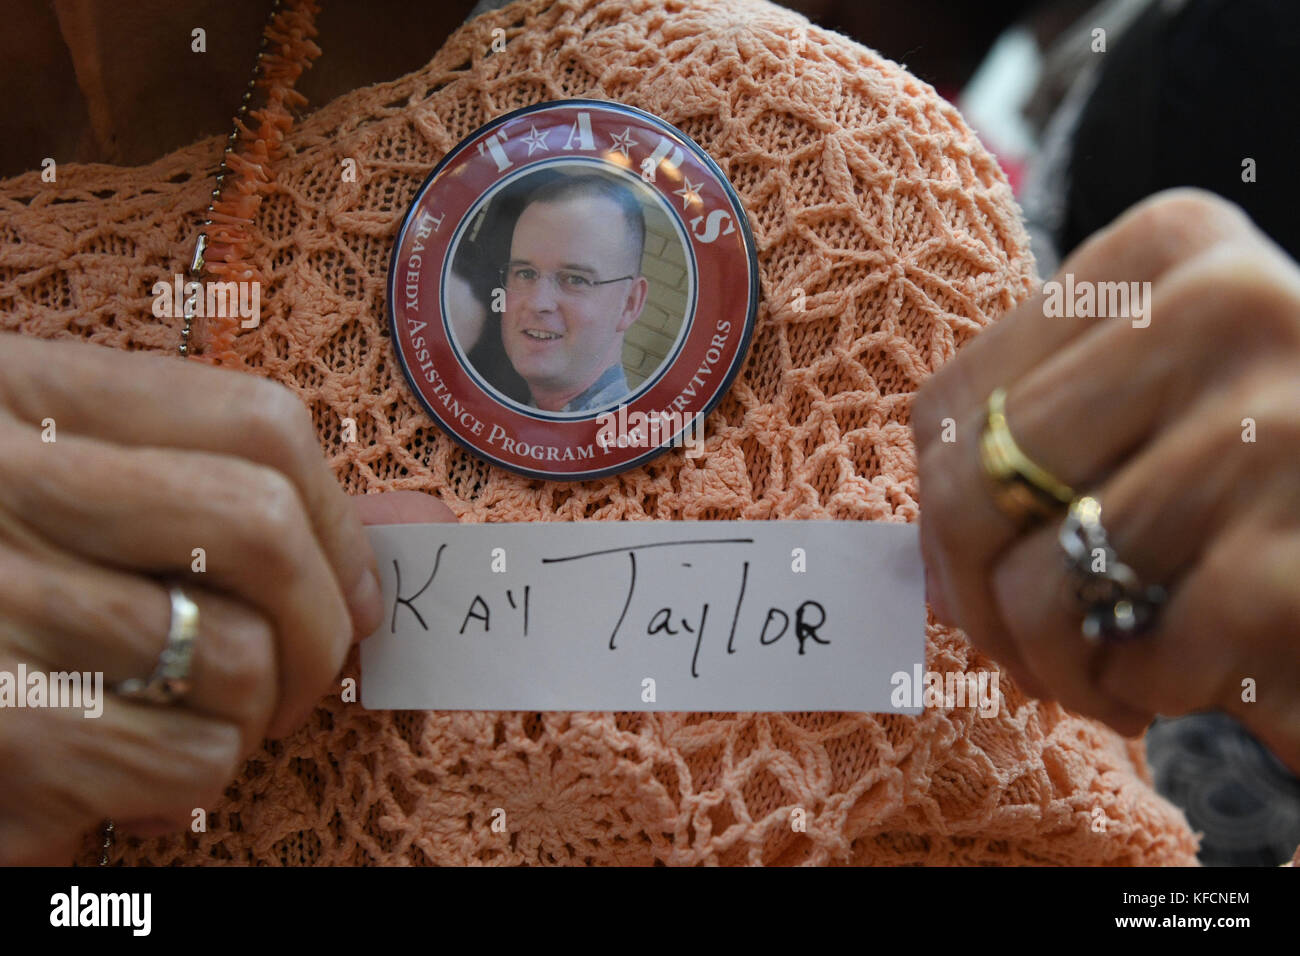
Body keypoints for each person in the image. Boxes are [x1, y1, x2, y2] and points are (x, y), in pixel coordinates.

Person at [1, 0, 1294, 867]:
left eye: (585, 286)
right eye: (532, 284)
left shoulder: (821, 191)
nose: (548, 310)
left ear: (634, 300)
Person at [499, 175, 650, 413]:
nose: (538, 302)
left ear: (630, 304)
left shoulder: (623, 444)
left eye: (575, 279)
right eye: (525, 274)